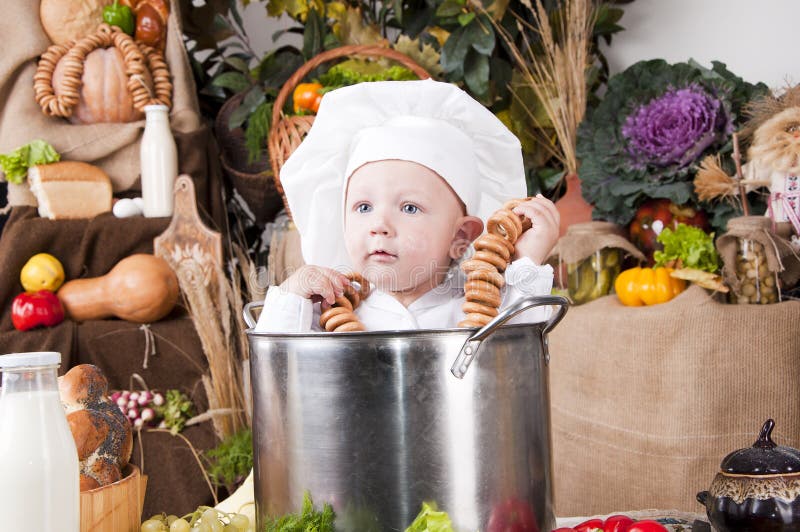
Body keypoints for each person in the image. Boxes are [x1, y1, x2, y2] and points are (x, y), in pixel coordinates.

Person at [255, 79, 559, 332]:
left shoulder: (485, 304)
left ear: (461, 237)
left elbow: (519, 348)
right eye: (363, 207)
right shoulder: (327, 311)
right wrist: (292, 294)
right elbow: (278, 365)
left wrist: (527, 260)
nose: (379, 225)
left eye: (409, 208)